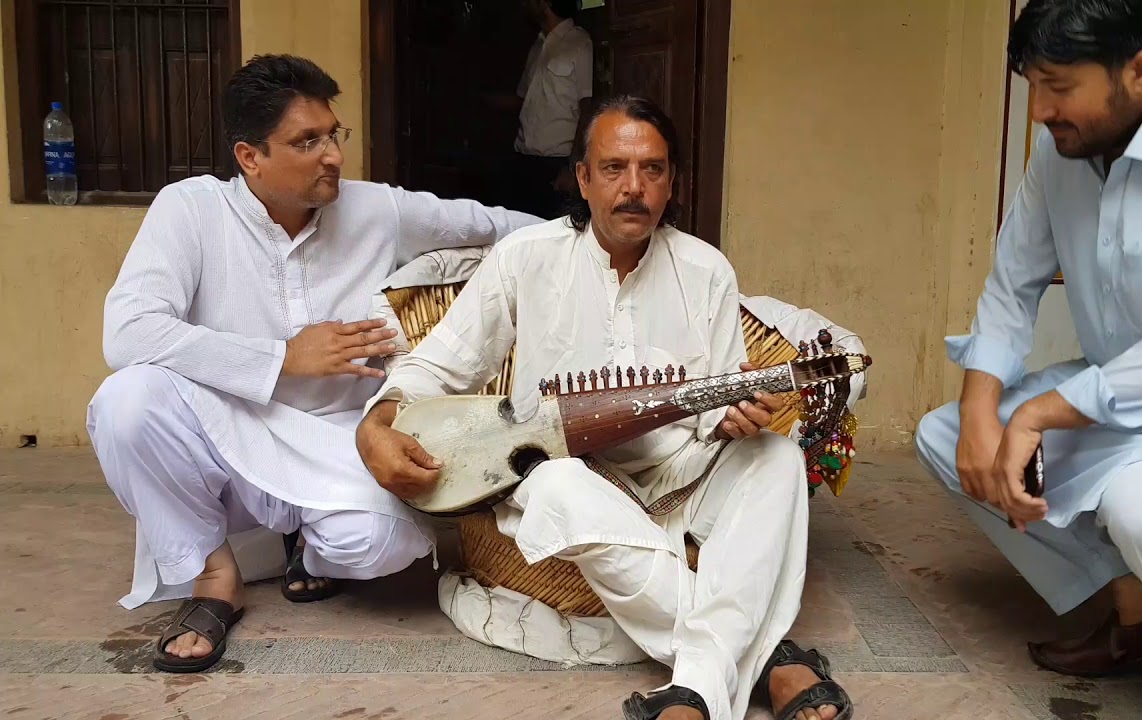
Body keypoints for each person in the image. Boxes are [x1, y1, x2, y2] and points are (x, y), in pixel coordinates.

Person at [355, 95, 854, 720]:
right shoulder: (526, 258)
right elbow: (439, 364)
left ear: (673, 182)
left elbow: (714, 418)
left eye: (653, 169)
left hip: (680, 475)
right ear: (583, 179)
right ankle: (767, 662)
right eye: (614, 168)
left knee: (776, 457)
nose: (633, 188)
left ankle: (696, 687)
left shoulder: (707, 272)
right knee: (557, 486)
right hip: (571, 473)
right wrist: (376, 421)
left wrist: (738, 414)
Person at [86, 53, 541, 673]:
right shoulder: (191, 209)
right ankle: (213, 577)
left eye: (333, 134)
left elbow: (495, 227)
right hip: (230, 429)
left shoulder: (374, 209)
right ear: (250, 157)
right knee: (126, 401)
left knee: (392, 544)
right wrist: (282, 359)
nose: (333, 155)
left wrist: (592, 234)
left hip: (339, 441)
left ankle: (310, 549)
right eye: (307, 141)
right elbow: (130, 331)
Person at [914, 1, 1142, 717]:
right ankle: (1137, 613)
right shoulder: (1064, 146)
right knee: (948, 436)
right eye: (1032, 86)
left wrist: (1044, 413)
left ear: (1141, 71)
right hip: (1119, 391)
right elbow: (1011, 286)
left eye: (1058, 86)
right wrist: (985, 411)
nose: (1041, 110)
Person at [484, 0, 593, 218]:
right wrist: (480, 99)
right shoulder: (537, 46)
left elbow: (587, 107)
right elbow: (522, 100)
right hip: (524, 157)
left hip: (556, 162)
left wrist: (573, 167)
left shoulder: (578, 42)